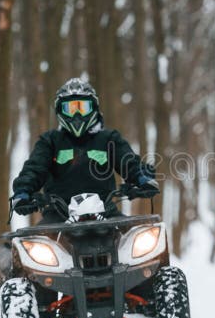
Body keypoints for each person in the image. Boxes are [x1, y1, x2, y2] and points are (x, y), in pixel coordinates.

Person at [10, 78, 158, 223]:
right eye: (70, 109)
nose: (77, 114)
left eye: (83, 108)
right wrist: (23, 192)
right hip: (58, 216)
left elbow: (129, 162)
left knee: (136, 240)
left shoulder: (109, 139)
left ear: (93, 108)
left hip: (106, 213)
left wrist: (143, 178)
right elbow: (34, 168)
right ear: (60, 111)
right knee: (30, 243)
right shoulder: (50, 141)